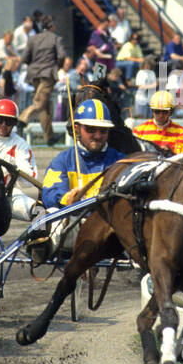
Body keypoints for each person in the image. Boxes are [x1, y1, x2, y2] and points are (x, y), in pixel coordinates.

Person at [30, 98, 127, 264]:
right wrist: (66, 198)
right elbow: (49, 192)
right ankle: (41, 247)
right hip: (73, 226)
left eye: (103, 131)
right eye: (91, 129)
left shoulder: (120, 162)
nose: (97, 135)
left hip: (107, 231)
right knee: (46, 212)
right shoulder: (62, 160)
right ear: (77, 128)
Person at [0, 99, 40, 221]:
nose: (3, 125)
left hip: (5, 195)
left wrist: (15, 169)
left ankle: (40, 239)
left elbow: (29, 181)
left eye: (9, 121)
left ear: (15, 123)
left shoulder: (21, 145)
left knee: (40, 211)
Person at [18, 14, 66, 146]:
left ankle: (49, 137)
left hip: (34, 74)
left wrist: (34, 64)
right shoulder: (56, 38)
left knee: (45, 106)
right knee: (40, 102)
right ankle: (23, 118)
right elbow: (62, 56)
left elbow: (25, 58)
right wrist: (58, 66)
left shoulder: (33, 39)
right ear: (52, 26)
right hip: (48, 73)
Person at [133, 90, 183, 156]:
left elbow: (180, 158)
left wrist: (170, 151)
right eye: (157, 111)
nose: (161, 115)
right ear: (152, 111)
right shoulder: (138, 131)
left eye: (164, 111)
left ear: (171, 112)